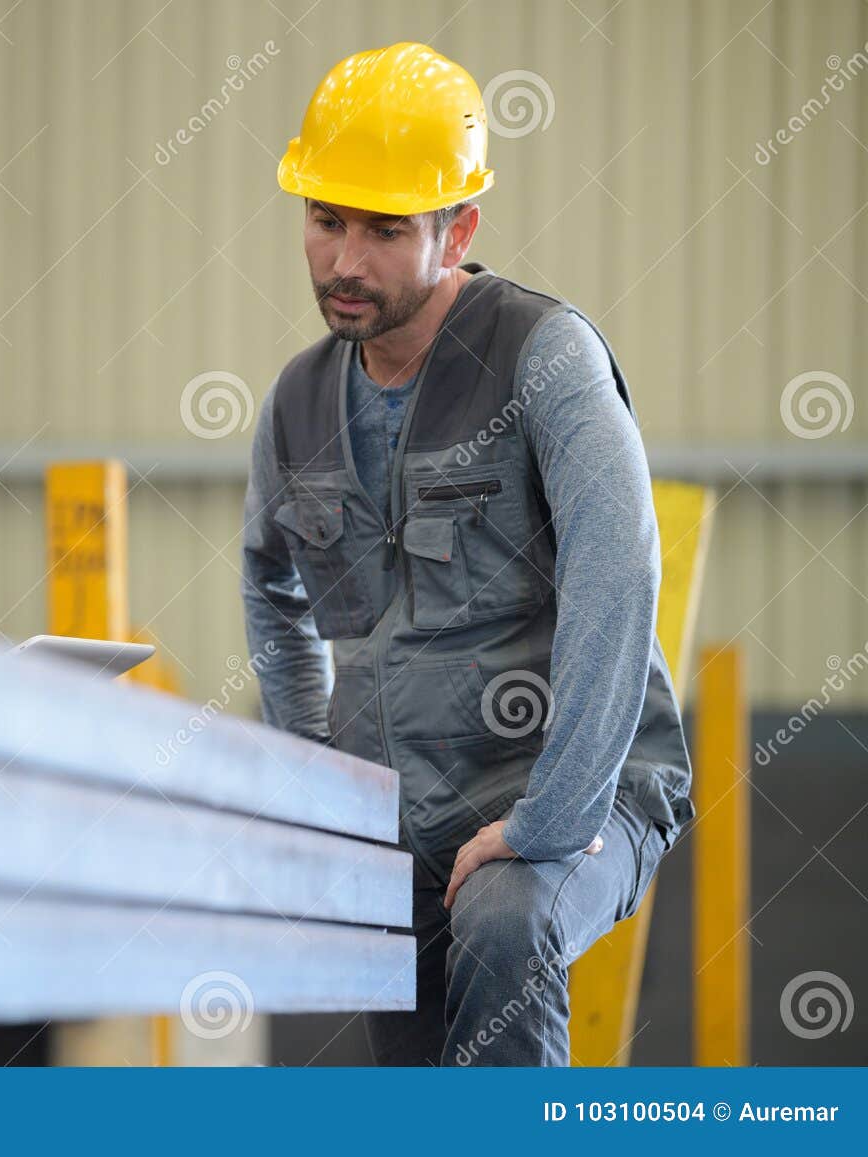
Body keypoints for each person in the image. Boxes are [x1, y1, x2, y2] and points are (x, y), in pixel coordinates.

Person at [242, 42, 693, 1066]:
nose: (345, 261)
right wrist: (323, 794)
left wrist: (552, 816)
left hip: (583, 788)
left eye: (386, 229)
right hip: (407, 808)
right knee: (397, 996)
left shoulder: (545, 356)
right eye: (324, 221)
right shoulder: (298, 402)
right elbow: (269, 587)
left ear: (460, 229)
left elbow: (616, 576)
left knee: (500, 913)